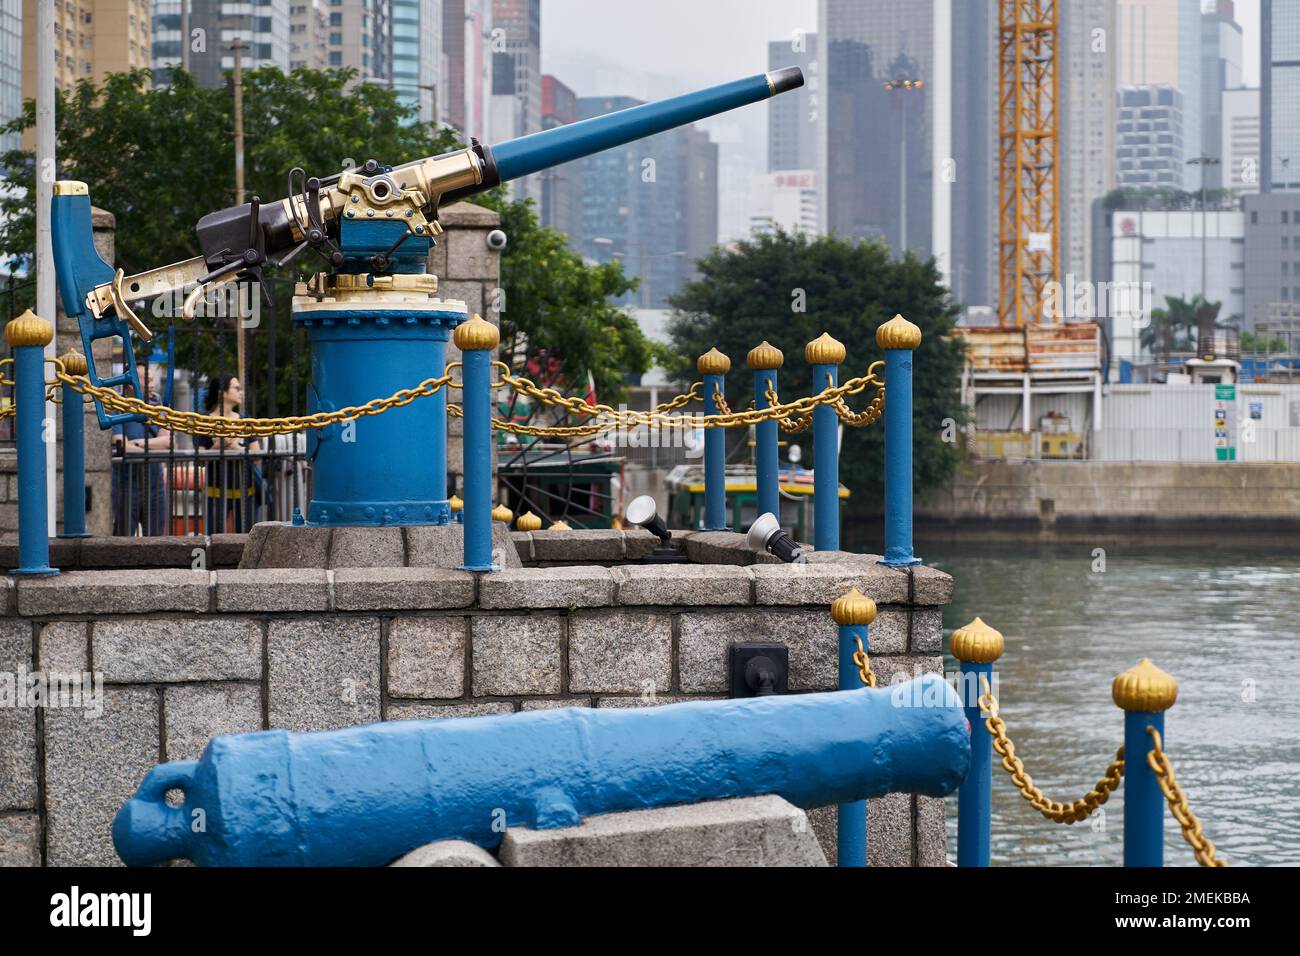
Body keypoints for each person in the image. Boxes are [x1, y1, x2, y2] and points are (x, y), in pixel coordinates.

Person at [193, 375, 261, 533]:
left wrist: (235, 447)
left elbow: (257, 453)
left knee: (247, 538)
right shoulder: (204, 421)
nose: (241, 392)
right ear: (221, 392)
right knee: (213, 537)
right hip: (215, 491)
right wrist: (217, 447)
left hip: (246, 490)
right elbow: (199, 458)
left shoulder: (245, 421)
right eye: (236, 388)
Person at [111, 361, 171, 535]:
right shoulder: (119, 406)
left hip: (155, 484)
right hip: (126, 484)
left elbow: (167, 442)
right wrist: (152, 447)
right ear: (130, 383)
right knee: (123, 537)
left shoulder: (159, 405)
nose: (152, 384)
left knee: (156, 538)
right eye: (148, 380)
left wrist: (137, 443)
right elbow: (119, 442)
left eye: (152, 380)